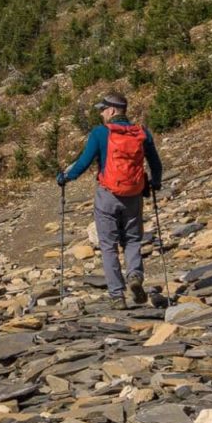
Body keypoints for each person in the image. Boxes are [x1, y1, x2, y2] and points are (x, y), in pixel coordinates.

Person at [57, 92, 164, 307]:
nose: (101, 114)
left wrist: (65, 178)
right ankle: (135, 275)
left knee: (108, 246)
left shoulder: (100, 133)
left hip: (107, 195)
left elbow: (84, 162)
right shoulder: (142, 133)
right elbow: (156, 163)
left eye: (103, 110)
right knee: (132, 240)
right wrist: (156, 182)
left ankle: (117, 296)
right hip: (133, 195)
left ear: (112, 110)